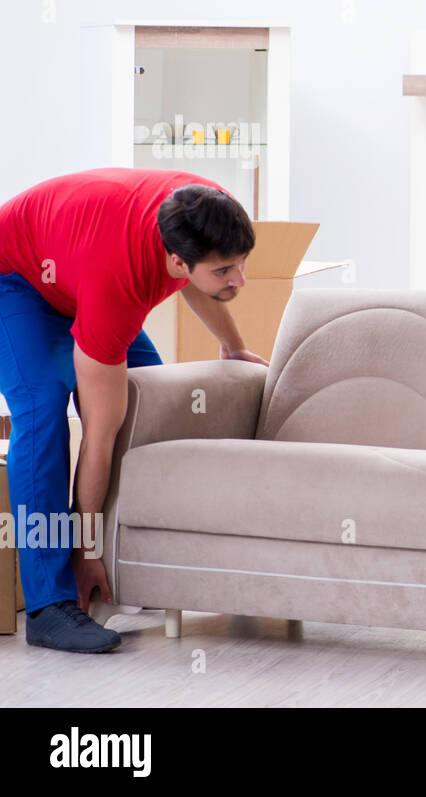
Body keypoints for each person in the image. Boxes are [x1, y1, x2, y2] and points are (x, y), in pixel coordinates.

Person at [0, 168, 268, 653]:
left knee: (155, 405)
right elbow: (98, 438)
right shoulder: (117, 281)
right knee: (42, 413)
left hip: (79, 265)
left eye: (241, 263)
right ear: (176, 261)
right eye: (225, 271)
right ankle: (50, 605)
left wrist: (232, 345)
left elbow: (200, 280)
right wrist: (86, 549)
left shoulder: (208, 209)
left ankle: (131, 567)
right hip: (15, 276)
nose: (240, 280)